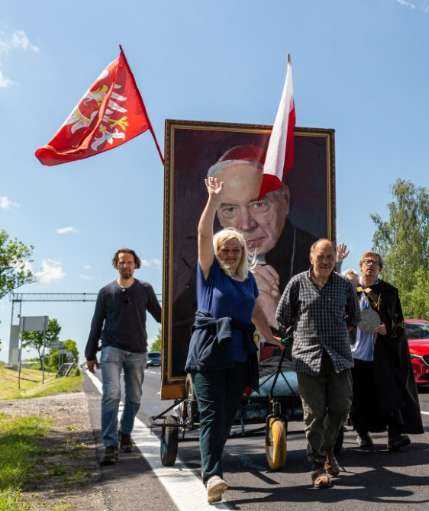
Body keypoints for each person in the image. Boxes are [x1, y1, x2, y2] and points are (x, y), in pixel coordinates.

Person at [170, 144, 317, 378]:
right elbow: (179, 331)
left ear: (285, 201)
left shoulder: (313, 256)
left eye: (258, 204)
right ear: (218, 214)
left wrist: (276, 319)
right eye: (229, 209)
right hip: (218, 361)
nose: (246, 224)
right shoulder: (210, 272)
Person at [185, 176, 279, 504]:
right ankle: (212, 475)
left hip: (238, 352)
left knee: (226, 415)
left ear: (241, 253)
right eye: (224, 247)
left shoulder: (247, 281)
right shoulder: (209, 273)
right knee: (211, 415)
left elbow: (254, 312)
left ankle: (212, 466)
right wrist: (212, 200)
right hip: (209, 350)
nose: (228, 251)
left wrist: (269, 336)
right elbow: (201, 235)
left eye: (234, 248)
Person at [276, 239, 359, 489]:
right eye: (321, 256)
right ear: (311, 257)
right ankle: (317, 466)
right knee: (314, 413)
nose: (325, 261)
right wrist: (298, 336)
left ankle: (328, 450)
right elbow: (282, 318)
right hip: (307, 358)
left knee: (341, 407)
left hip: (339, 357)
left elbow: (353, 317)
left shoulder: (344, 285)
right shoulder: (297, 283)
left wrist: (336, 334)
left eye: (330, 257)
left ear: (335, 260)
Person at [85, 248, 161, 466]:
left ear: (135, 265)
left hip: (138, 350)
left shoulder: (145, 289)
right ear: (115, 265)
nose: (125, 265)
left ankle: (125, 432)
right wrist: (90, 354)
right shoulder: (106, 292)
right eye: (121, 262)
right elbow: (96, 323)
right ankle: (110, 445)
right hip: (111, 349)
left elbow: (158, 314)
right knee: (111, 393)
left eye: (129, 262)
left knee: (134, 397)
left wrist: (179, 326)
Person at [350, 251, 423, 452]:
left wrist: (387, 328)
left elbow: (399, 322)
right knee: (358, 396)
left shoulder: (389, 291)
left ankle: (395, 436)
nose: (370, 265)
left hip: (381, 353)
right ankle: (362, 434)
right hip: (354, 352)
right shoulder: (350, 291)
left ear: (380, 268)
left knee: (389, 394)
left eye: (374, 263)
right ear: (360, 266)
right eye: (366, 262)